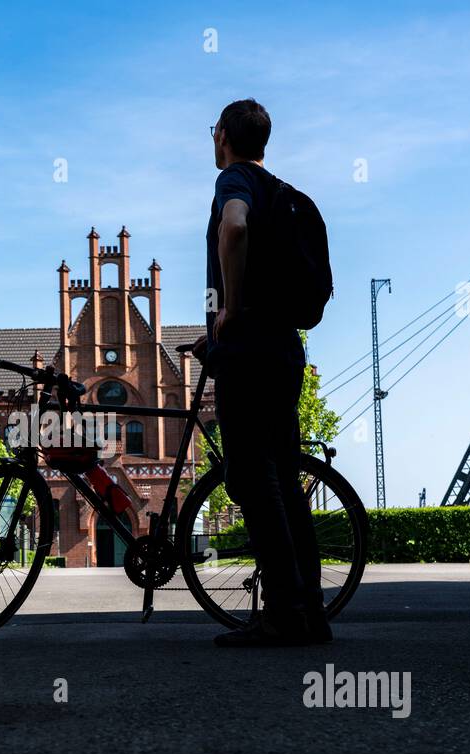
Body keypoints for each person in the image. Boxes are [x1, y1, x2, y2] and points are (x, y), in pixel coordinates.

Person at [198, 98, 331, 647]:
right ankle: (310, 612)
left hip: (249, 353)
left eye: (213, 130)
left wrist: (227, 309)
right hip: (284, 350)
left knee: (253, 480)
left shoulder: (235, 181)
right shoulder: (283, 191)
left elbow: (234, 229)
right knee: (283, 482)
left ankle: (281, 614)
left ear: (224, 134)